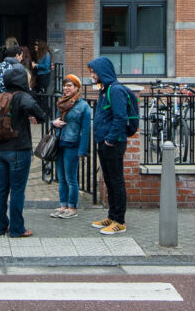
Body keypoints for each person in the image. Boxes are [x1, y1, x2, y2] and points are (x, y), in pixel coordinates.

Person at [0, 63, 49, 239]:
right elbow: (40, 114)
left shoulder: (0, 96)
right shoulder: (23, 97)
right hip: (18, 149)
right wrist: (37, 117)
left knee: (1, 188)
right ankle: (17, 228)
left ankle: (0, 226)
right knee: (17, 190)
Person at [88, 56, 138, 236]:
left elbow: (120, 117)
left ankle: (119, 221)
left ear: (102, 71)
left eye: (94, 72)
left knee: (116, 182)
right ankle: (111, 216)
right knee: (109, 181)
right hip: (104, 142)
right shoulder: (105, 90)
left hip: (113, 143)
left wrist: (109, 139)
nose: (92, 75)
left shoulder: (115, 90)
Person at [49, 74, 91, 219]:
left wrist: (82, 150)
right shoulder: (61, 103)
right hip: (59, 143)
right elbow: (55, 121)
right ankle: (63, 205)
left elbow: (86, 131)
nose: (66, 88)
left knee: (71, 178)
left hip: (73, 145)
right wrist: (53, 123)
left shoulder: (84, 106)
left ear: (77, 88)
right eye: (64, 85)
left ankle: (72, 207)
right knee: (61, 178)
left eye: (69, 86)